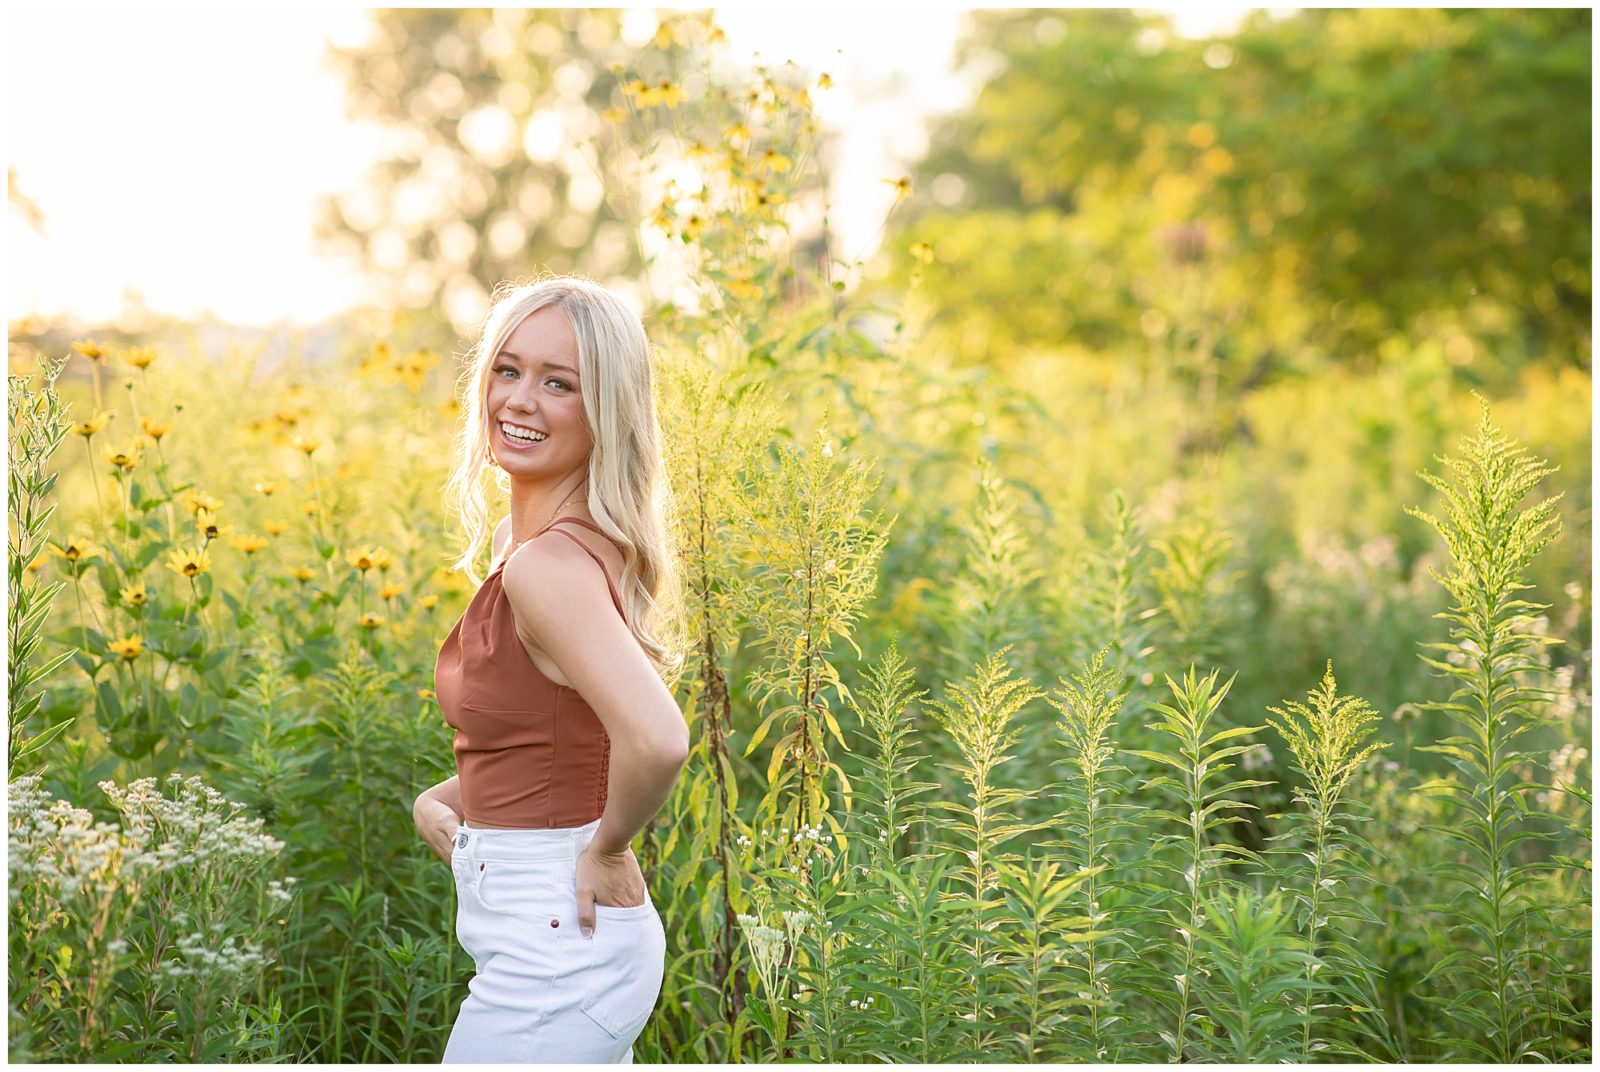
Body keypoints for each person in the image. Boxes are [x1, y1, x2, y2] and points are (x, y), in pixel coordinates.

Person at [412, 274, 689, 1063]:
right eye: (508, 370)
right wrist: (444, 800)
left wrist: (608, 847)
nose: (520, 400)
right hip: (543, 932)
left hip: (562, 947)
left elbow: (658, 740)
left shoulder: (547, 568)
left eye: (558, 383)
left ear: (605, 410)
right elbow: (561, 741)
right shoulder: (530, 548)